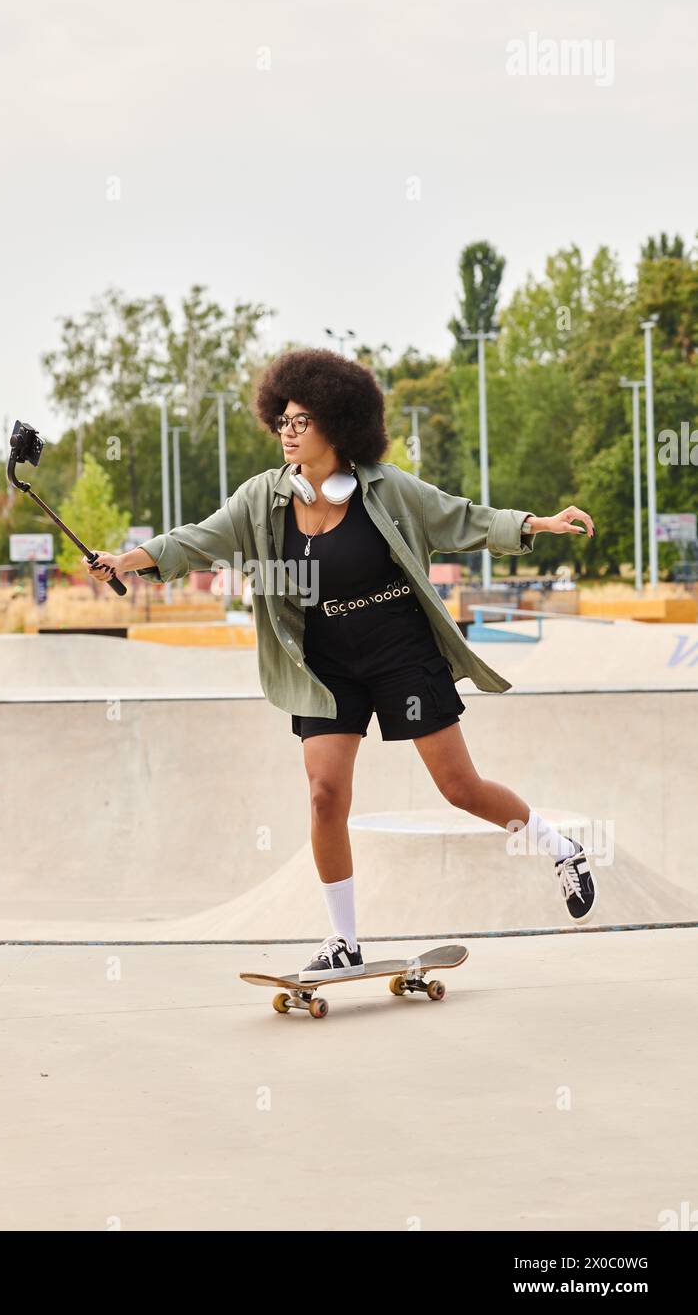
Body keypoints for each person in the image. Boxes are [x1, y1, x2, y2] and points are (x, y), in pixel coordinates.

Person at [86, 348, 596, 980]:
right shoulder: (262, 500)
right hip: (324, 659)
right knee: (325, 795)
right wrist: (126, 561)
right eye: (283, 419)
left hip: (397, 645)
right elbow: (196, 540)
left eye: (302, 420)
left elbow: (461, 518)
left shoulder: (386, 488)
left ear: (339, 425)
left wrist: (535, 523)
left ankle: (560, 848)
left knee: (459, 788)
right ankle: (344, 939)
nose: (288, 431)